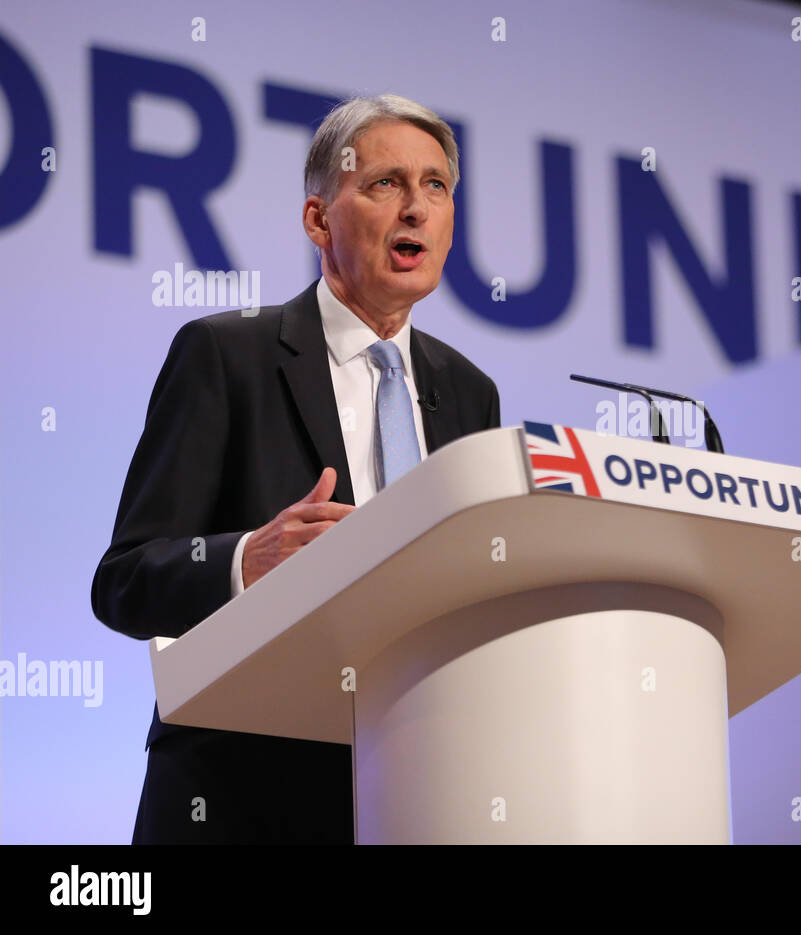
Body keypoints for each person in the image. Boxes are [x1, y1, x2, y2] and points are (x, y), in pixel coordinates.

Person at [91, 94, 500, 844]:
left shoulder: (470, 391)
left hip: (414, 790)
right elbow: (124, 581)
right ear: (319, 220)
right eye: (386, 183)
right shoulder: (227, 354)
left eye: (436, 187)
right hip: (240, 797)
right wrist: (249, 558)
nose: (417, 208)